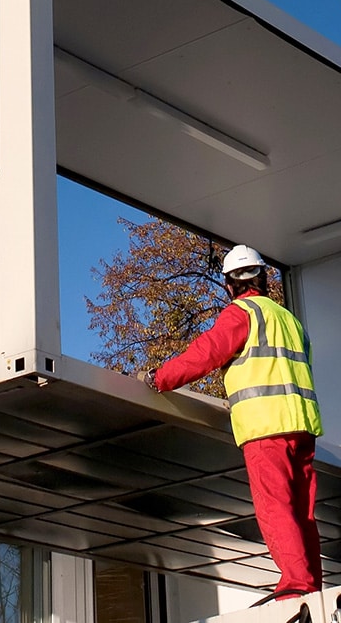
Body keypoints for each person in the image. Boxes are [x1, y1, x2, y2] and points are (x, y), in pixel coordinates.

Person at [138, 244, 323, 600]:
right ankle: (312, 586)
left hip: (265, 428)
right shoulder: (291, 321)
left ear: (229, 285)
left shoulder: (242, 313)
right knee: (303, 513)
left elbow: (208, 352)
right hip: (302, 427)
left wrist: (160, 378)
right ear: (264, 278)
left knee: (276, 507)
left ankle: (297, 588)